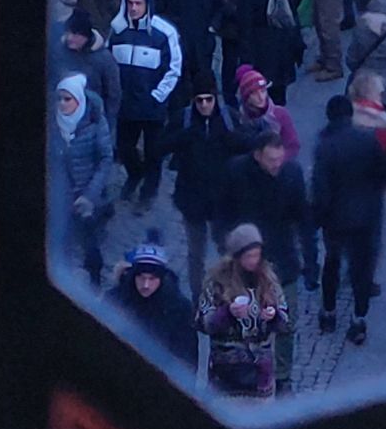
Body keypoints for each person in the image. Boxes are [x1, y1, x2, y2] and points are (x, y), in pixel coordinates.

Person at [221, 128, 316, 387]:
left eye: (280, 159)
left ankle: (283, 376)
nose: (277, 164)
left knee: (286, 322)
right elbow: (223, 213)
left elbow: (304, 219)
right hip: (247, 262)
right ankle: (249, 370)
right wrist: (228, 247)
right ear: (257, 156)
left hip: (283, 259)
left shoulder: (292, 174)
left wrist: (311, 260)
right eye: (271, 160)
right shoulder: (236, 172)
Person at [311, 81, 386, 344]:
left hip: (335, 218)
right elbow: (382, 174)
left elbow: (320, 189)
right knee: (361, 269)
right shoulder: (367, 140)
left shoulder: (325, 146)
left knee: (332, 264)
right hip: (366, 217)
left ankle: (329, 313)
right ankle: (359, 319)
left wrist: (316, 218)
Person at [106, 0, 183, 210]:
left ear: (148, 4)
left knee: (153, 153)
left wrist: (157, 96)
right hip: (125, 106)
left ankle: (148, 193)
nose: (133, 8)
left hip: (152, 108)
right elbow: (109, 65)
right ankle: (135, 174)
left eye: (138, 3)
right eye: (130, 3)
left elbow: (174, 68)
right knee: (124, 148)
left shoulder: (164, 32)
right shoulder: (117, 30)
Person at [196, 225, 289, 400]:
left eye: (256, 255)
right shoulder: (216, 282)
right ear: (236, 257)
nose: (253, 260)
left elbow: (284, 321)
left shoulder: (268, 281)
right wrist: (227, 313)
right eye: (248, 256)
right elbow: (203, 322)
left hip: (261, 377)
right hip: (226, 375)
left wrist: (273, 316)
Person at [169, 73, 234, 300]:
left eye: (208, 99)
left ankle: (228, 292)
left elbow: (244, 144)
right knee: (195, 254)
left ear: (216, 98)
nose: (204, 104)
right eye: (200, 100)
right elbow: (160, 145)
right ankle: (198, 298)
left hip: (221, 201)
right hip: (192, 200)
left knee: (226, 250)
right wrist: (183, 138)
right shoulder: (183, 119)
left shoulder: (228, 118)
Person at [50, 74, 114, 287]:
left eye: (67, 99)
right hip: (60, 197)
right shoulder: (52, 123)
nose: (62, 103)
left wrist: (89, 195)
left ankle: (95, 283)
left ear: (78, 100)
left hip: (86, 195)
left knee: (90, 246)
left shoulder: (95, 122)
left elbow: (105, 159)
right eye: (59, 98)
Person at [108, 243, 197, 370]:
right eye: (141, 277)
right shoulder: (114, 300)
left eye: (152, 279)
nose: (146, 285)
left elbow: (186, 356)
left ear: (161, 278)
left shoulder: (180, 309)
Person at [54, 6, 121, 132]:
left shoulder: (104, 59)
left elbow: (113, 95)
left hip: (92, 124)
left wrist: (108, 126)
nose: (69, 37)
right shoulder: (59, 52)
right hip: (61, 121)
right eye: (68, 32)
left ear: (86, 36)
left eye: (75, 34)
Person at [228, 64, 300, 163]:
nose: (261, 97)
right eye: (254, 93)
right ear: (246, 97)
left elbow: (293, 146)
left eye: (262, 91)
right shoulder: (239, 119)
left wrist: (276, 160)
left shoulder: (280, 114)